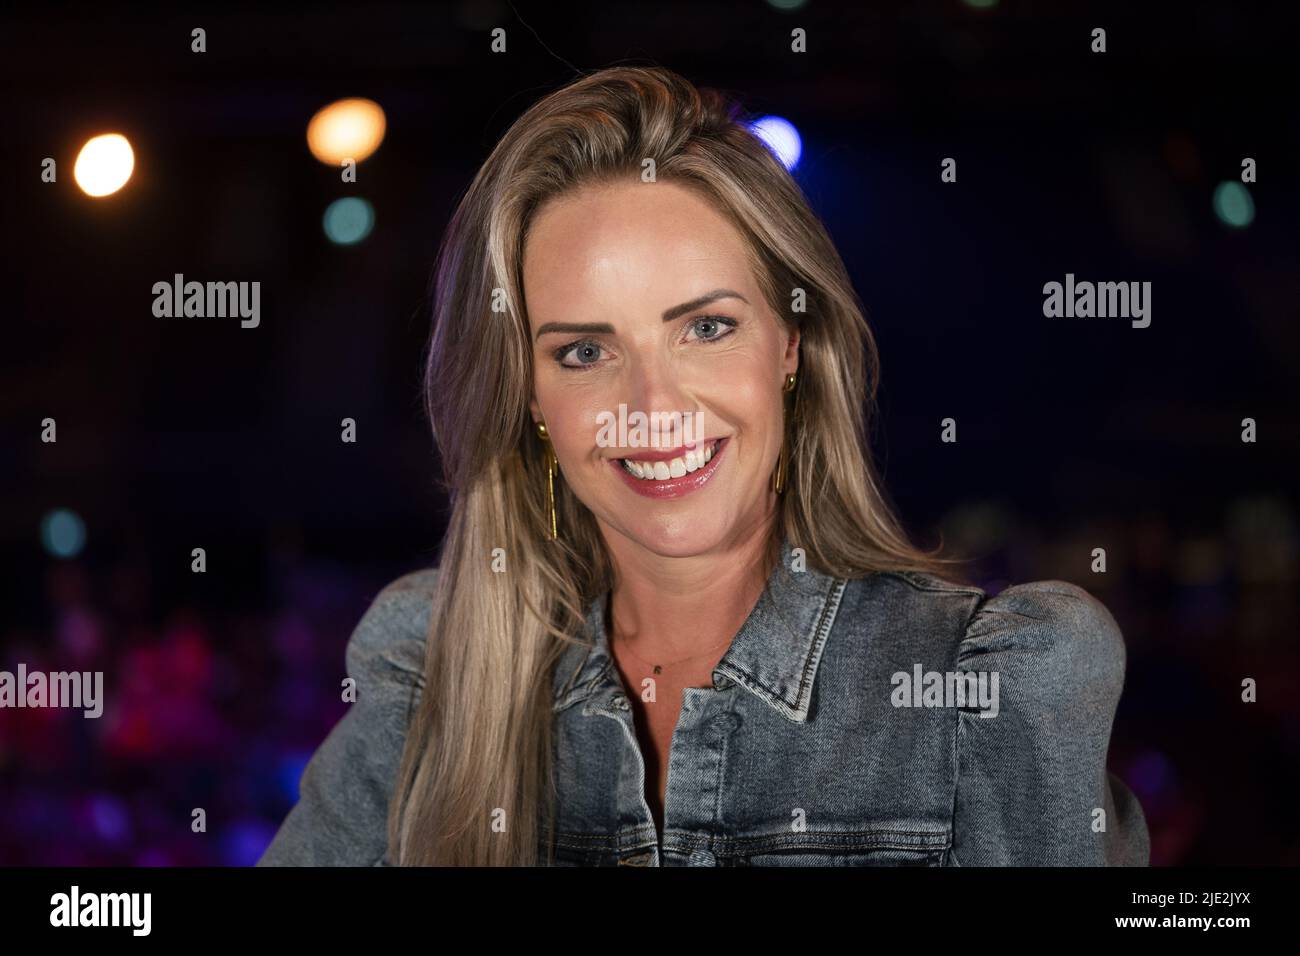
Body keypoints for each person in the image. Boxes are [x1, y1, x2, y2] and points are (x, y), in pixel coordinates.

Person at [258, 65, 1149, 867]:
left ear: (792, 344)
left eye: (707, 328)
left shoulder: (991, 686)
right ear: (527, 396)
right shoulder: (431, 674)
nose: (653, 406)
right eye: (582, 352)